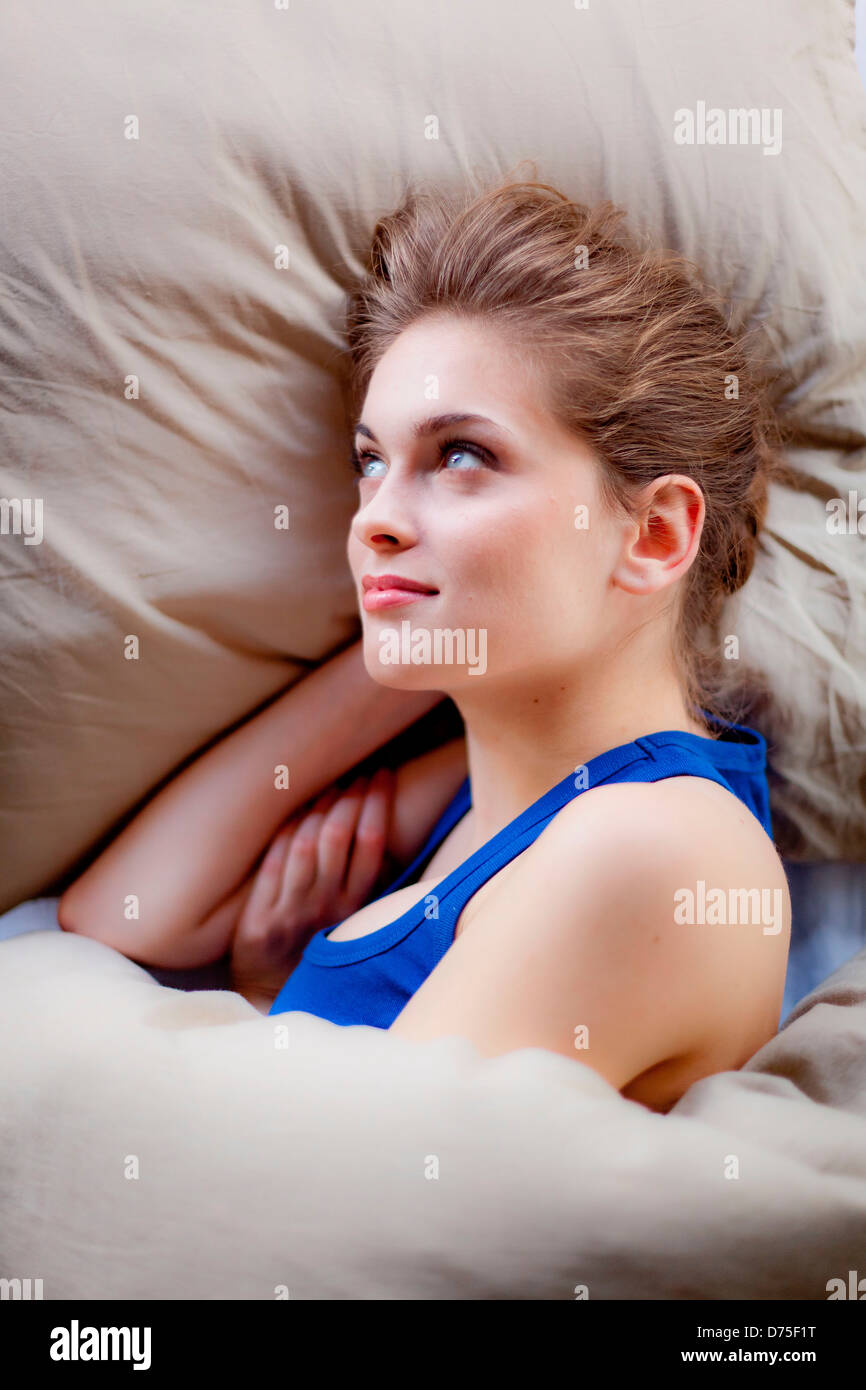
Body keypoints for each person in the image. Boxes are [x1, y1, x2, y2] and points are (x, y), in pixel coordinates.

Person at [59, 174, 792, 1112]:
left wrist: (272, 1016)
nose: (372, 521)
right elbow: (120, 915)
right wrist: (417, 634)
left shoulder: (656, 845)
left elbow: (344, 1190)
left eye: (461, 455)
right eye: (371, 461)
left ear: (652, 537)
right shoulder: (498, 786)